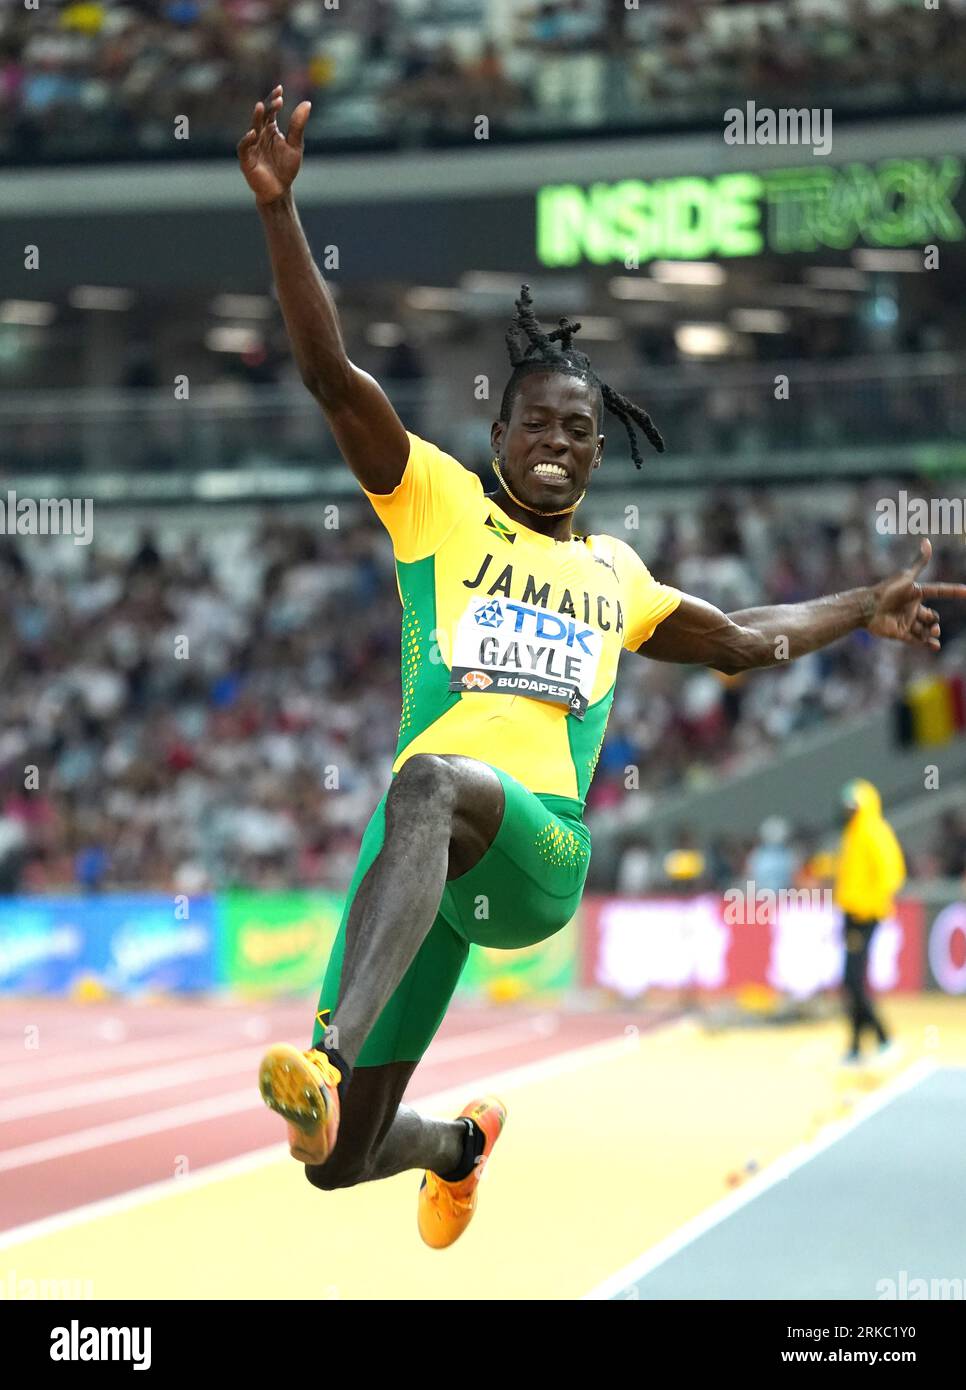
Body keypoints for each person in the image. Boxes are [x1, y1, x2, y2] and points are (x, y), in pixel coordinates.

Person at [237, 86, 966, 1249]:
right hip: (421, 865)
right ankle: (458, 1145)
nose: (562, 442)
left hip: (537, 853)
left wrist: (859, 606)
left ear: (600, 449)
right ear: (496, 440)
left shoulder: (618, 574)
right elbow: (333, 378)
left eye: (582, 429)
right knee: (338, 1162)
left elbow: (739, 639)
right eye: (540, 423)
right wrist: (280, 211)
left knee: (427, 782)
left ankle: (323, 1056)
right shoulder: (433, 505)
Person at [833, 779, 906, 1066]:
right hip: (851, 914)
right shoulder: (853, 833)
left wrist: (871, 904)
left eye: (853, 806)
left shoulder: (874, 832)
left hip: (865, 916)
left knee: (852, 981)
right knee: (850, 982)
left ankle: (884, 1038)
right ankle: (855, 1047)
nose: (848, 811)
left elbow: (892, 874)